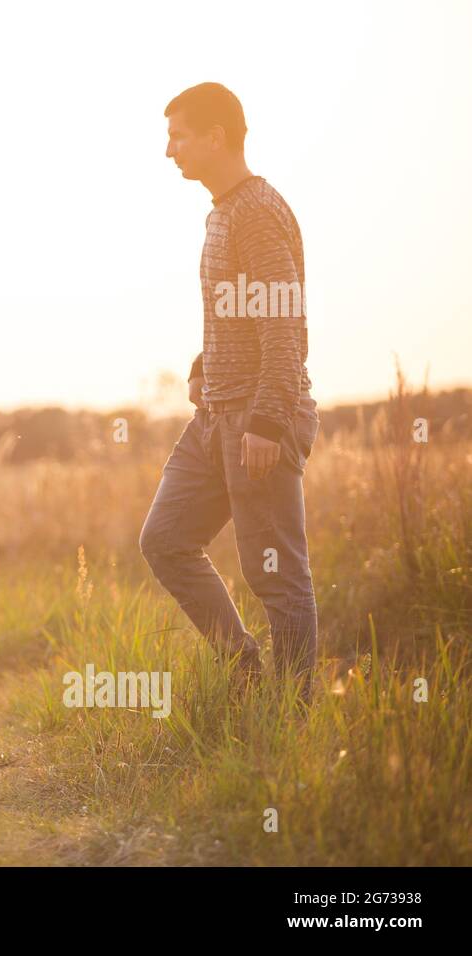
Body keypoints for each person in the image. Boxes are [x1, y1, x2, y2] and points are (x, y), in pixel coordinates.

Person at [140, 82, 320, 701]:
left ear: (216, 136)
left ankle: (292, 715)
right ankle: (244, 672)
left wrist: (268, 421)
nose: (169, 151)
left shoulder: (258, 211)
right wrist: (203, 365)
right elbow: (238, 310)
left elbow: (283, 322)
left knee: (277, 577)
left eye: (179, 136)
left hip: (258, 419)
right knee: (164, 540)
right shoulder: (223, 210)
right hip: (217, 415)